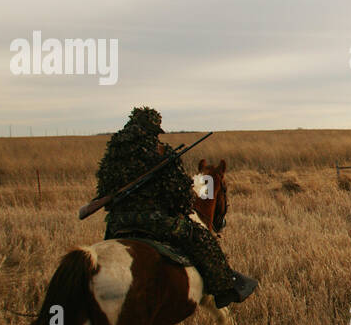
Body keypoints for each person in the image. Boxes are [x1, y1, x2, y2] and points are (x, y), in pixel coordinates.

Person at [95, 107, 257, 308]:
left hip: (117, 222)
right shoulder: (160, 152)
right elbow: (178, 192)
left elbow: (103, 191)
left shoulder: (113, 153)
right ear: (154, 129)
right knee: (204, 239)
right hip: (153, 221)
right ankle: (224, 290)